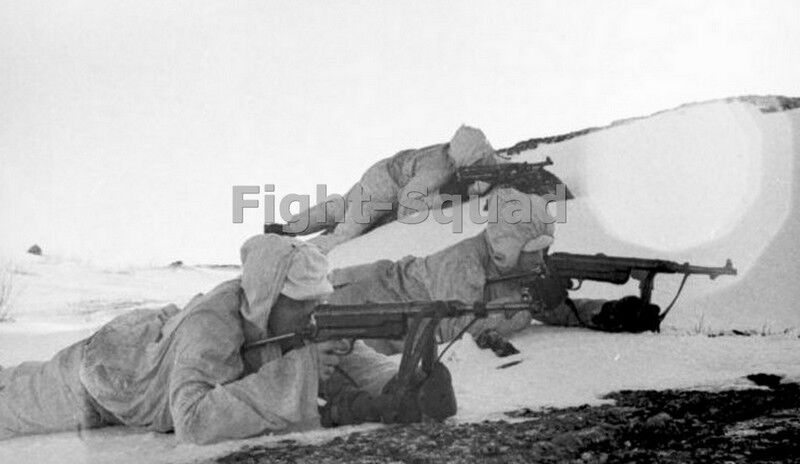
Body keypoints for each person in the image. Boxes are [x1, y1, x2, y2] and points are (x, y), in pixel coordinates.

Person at [0, 235, 456, 443]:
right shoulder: (215, 323)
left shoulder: (303, 319)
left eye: (319, 300)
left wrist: (406, 381)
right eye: (302, 301)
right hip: (111, 373)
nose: (316, 313)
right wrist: (302, 369)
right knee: (13, 400)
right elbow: (194, 420)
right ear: (268, 296)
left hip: (156, 335)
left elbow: (356, 361)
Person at [328, 188, 660, 355]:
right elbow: (458, 331)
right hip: (364, 297)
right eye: (535, 250)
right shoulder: (463, 264)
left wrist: (607, 313)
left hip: (385, 321)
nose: (542, 256)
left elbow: (557, 311)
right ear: (509, 247)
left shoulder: (516, 269)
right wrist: (526, 303)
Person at [266, 125, 507, 253]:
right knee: (345, 235)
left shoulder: (446, 151)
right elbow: (407, 207)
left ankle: (285, 228)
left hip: (379, 172)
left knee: (339, 208)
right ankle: (293, 250)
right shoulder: (439, 169)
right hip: (382, 191)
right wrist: (451, 196)